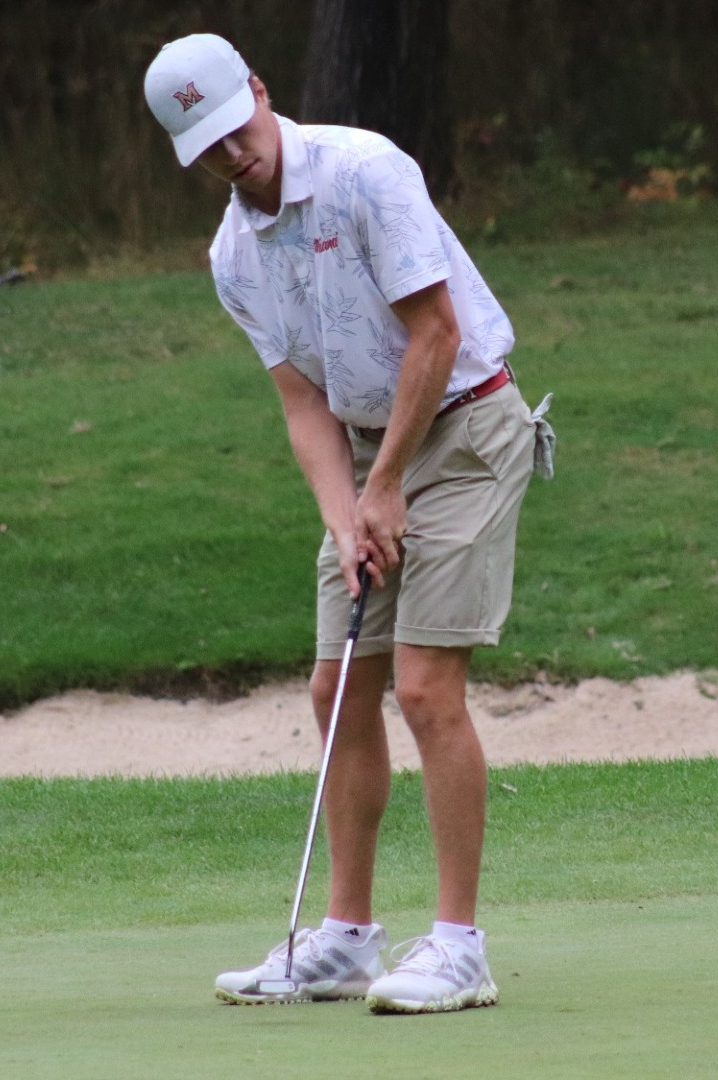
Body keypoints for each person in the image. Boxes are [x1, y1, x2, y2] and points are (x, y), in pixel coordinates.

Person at [143, 33, 552, 1015]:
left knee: (423, 686)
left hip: (463, 428)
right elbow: (301, 404)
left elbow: (437, 333)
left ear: (261, 93)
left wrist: (390, 484)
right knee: (336, 690)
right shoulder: (233, 255)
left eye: (236, 130)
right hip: (372, 456)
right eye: (206, 148)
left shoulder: (367, 171)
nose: (231, 156)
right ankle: (347, 941)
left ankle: (459, 946)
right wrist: (346, 518)